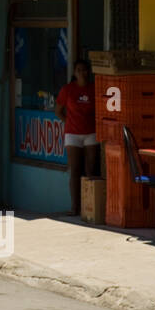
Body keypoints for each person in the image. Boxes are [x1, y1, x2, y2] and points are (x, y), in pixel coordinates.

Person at [57, 58, 98, 216]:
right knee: (75, 170)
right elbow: (58, 111)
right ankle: (75, 207)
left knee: (91, 170)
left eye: (85, 69)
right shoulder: (67, 89)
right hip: (72, 134)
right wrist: (69, 122)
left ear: (89, 72)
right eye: (79, 70)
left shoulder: (94, 89)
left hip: (91, 133)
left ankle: (90, 207)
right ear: (74, 73)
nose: (82, 72)